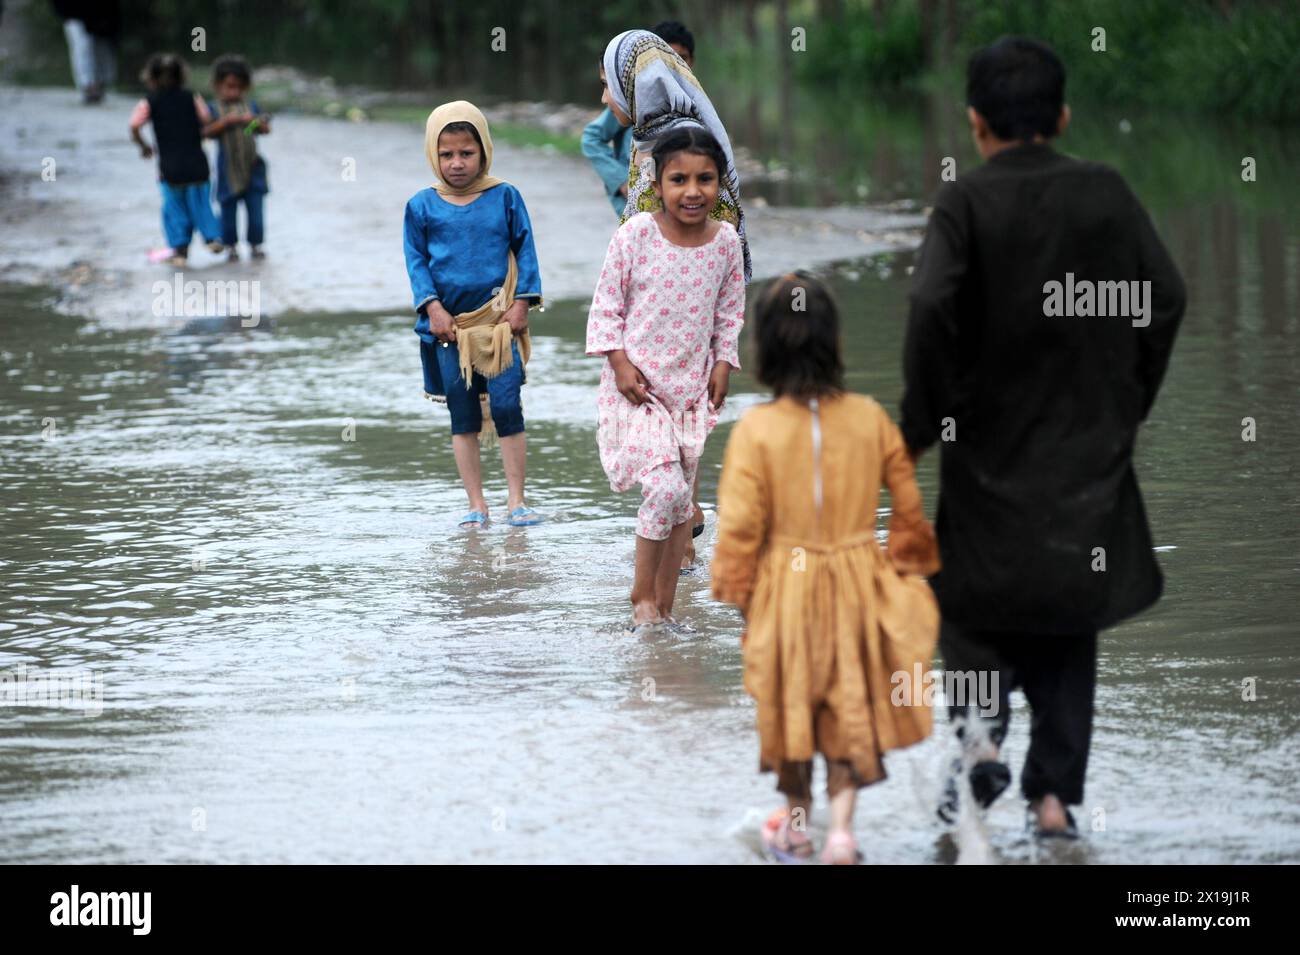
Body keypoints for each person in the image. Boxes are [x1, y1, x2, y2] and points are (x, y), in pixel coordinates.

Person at [900, 36, 1186, 838]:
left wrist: (923, 421)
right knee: (1069, 617)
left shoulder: (966, 202)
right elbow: (1164, 298)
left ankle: (982, 738)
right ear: (1061, 116)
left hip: (985, 455)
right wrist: (1123, 404)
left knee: (969, 607)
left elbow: (928, 306)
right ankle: (1054, 798)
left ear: (975, 122)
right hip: (1085, 459)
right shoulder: (1105, 191)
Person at [711, 273, 940, 865]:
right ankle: (842, 833)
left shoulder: (755, 431)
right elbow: (910, 511)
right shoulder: (868, 417)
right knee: (847, 706)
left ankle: (795, 829)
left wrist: (740, 597)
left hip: (785, 589)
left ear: (765, 347)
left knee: (790, 707)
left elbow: (737, 531)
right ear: (833, 343)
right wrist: (906, 571)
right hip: (857, 581)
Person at [586, 127, 744, 631]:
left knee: (682, 505)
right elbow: (606, 307)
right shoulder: (634, 235)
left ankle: (666, 608)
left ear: (720, 184)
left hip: (691, 393)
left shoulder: (726, 244)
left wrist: (723, 363)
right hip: (636, 392)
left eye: (705, 179)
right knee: (665, 491)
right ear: (657, 185)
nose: (692, 190)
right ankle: (641, 599)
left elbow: (728, 314)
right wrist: (619, 363)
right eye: (679, 179)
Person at [403, 101, 544, 529]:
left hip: (499, 323)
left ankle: (516, 500)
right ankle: (476, 504)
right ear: (433, 154)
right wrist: (433, 307)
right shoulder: (421, 206)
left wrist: (522, 302)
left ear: (484, 150)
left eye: (467, 152)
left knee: (506, 406)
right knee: (461, 413)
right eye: (447, 154)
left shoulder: (505, 195)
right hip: (448, 328)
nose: (457, 163)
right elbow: (416, 262)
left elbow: (526, 248)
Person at [599, 28, 751, 284]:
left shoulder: (688, 143)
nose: (604, 98)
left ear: (635, 82)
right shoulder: (643, 140)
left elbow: (720, 230)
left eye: (607, 85)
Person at [582, 20, 695, 218]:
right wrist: (620, 182)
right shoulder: (640, 135)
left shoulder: (687, 132)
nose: (672, 67)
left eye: (681, 58)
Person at [129, 54, 223, 267]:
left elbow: (134, 125)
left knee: (174, 207)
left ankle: (179, 250)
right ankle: (211, 238)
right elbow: (207, 120)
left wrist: (143, 146)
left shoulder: (149, 102)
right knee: (201, 203)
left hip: (169, 167)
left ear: (151, 78)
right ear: (182, 76)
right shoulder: (192, 98)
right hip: (197, 163)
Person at [203, 54, 270, 261]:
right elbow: (206, 132)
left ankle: (255, 245)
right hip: (227, 169)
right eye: (229, 87)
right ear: (218, 86)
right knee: (228, 213)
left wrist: (253, 123)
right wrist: (226, 122)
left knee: (256, 213)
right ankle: (230, 246)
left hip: (253, 168)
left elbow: (260, 130)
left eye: (238, 87)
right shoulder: (213, 109)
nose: (234, 91)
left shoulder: (251, 107)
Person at [52, 0, 119, 104]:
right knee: (82, 46)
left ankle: (99, 83)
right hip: (73, 10)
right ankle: (88, 86)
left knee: (99, 46)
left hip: (99, 12)